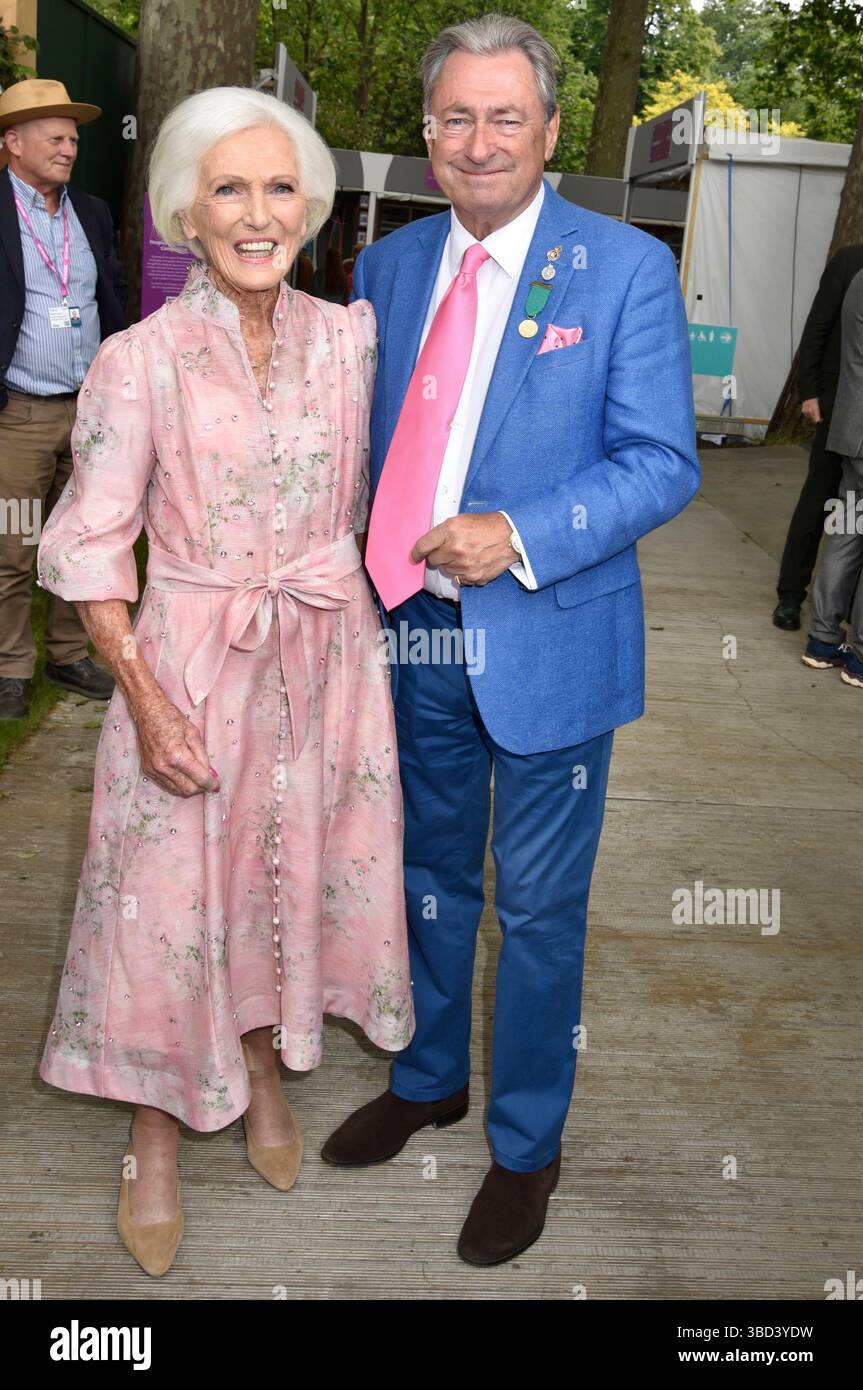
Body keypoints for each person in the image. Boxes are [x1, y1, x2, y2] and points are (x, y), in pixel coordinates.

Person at [322, 13, 700, 1266]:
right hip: (407, 634)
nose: (476, 141)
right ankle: (430, 1074)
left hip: (545, 639)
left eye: (503, 117)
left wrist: (517, 534)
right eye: (452, 117)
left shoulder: (625, 268)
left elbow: (662, 462)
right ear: (424, 135)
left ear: (545, 130)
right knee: (428, 874)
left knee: (536, 912)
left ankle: (527, 1146)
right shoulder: (387, 265)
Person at [36, 86, 414, 1277]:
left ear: (312, 207)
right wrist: (143, 696)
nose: (259, 214)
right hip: (189, 658)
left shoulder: (351, 340)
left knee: (283, 869)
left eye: (281, 187)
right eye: (230, 189)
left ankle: (256, 1059)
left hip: (325, 652)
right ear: (185, 213)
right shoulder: (134, 359)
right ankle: (153, 1127)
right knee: (164, 897)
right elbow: (90, 545)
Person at [0, 79, 126, 719]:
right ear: (12, 142)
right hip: (19, 417)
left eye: (74, 138)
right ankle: (11, 667)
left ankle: (69, 653)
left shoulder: (93, 213)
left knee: (83, 543)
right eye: (54, 136)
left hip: (88, 419)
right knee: (13, 544)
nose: (68, 147)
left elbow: (111, 296)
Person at [773, 243, 863, 631]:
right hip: (833, 402)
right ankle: (791, 595)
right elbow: (818, 327)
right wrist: (809, 390)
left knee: (853, 512)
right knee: (819, 499)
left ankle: (843, 608)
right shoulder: (850, 260)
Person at [801, 266, 863, 688]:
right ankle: (860, 655)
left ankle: (823, 640)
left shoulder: (858, 278)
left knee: (846, 535)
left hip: (850, 431)